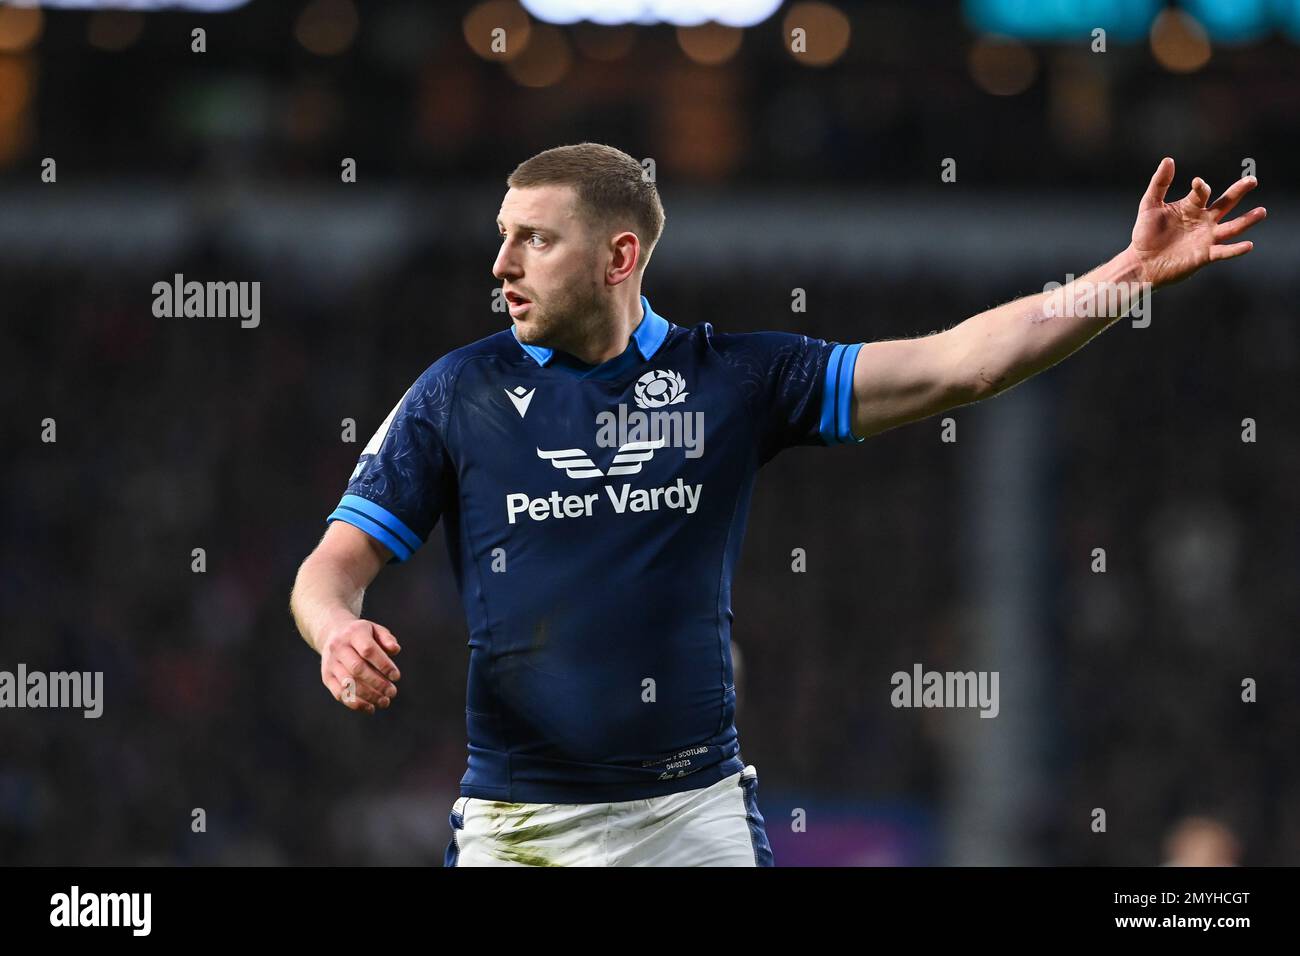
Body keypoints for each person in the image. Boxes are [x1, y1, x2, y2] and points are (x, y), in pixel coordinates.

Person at [289, 143, 1265, 866]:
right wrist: (336, 629)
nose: (500, 263)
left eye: (533, 240)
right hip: (519, 825)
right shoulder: (457, 393)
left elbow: (957, 363)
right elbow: (329, 568)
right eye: (502, 237)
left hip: (692, 821)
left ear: (618, 256)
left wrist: (1125, 274)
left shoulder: (737, 378)